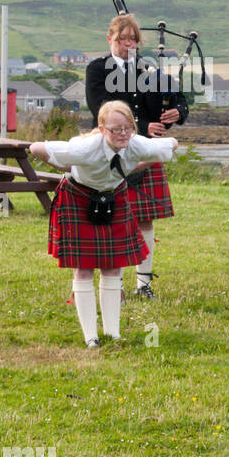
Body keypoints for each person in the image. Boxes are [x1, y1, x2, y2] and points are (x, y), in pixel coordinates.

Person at [30, 100, 177, 347]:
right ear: (101, 129)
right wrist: (66, 166)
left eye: (127, 128)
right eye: (115, 129)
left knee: (113, 267)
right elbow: (36, 148)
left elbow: (171, 144)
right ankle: (91, 337)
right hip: (78, 197)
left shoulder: (136, 143)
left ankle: (113, 334)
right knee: (83, 268)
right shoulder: (82, 148)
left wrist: (132, 166)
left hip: (114, 196)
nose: (122, 134)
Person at [85, 13, 188, 300]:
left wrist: (179, 112)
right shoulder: (97, 70)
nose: (128, 44)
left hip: (144, 152)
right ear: (110, 39)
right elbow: (101, 110)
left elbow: (178, 97)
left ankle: (144, 283)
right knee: (112, 217)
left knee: (144, 220)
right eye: (122, 39)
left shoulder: (148, 70)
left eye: (133, 39)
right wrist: (144, 127)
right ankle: (113, 285)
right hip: (110, 152)